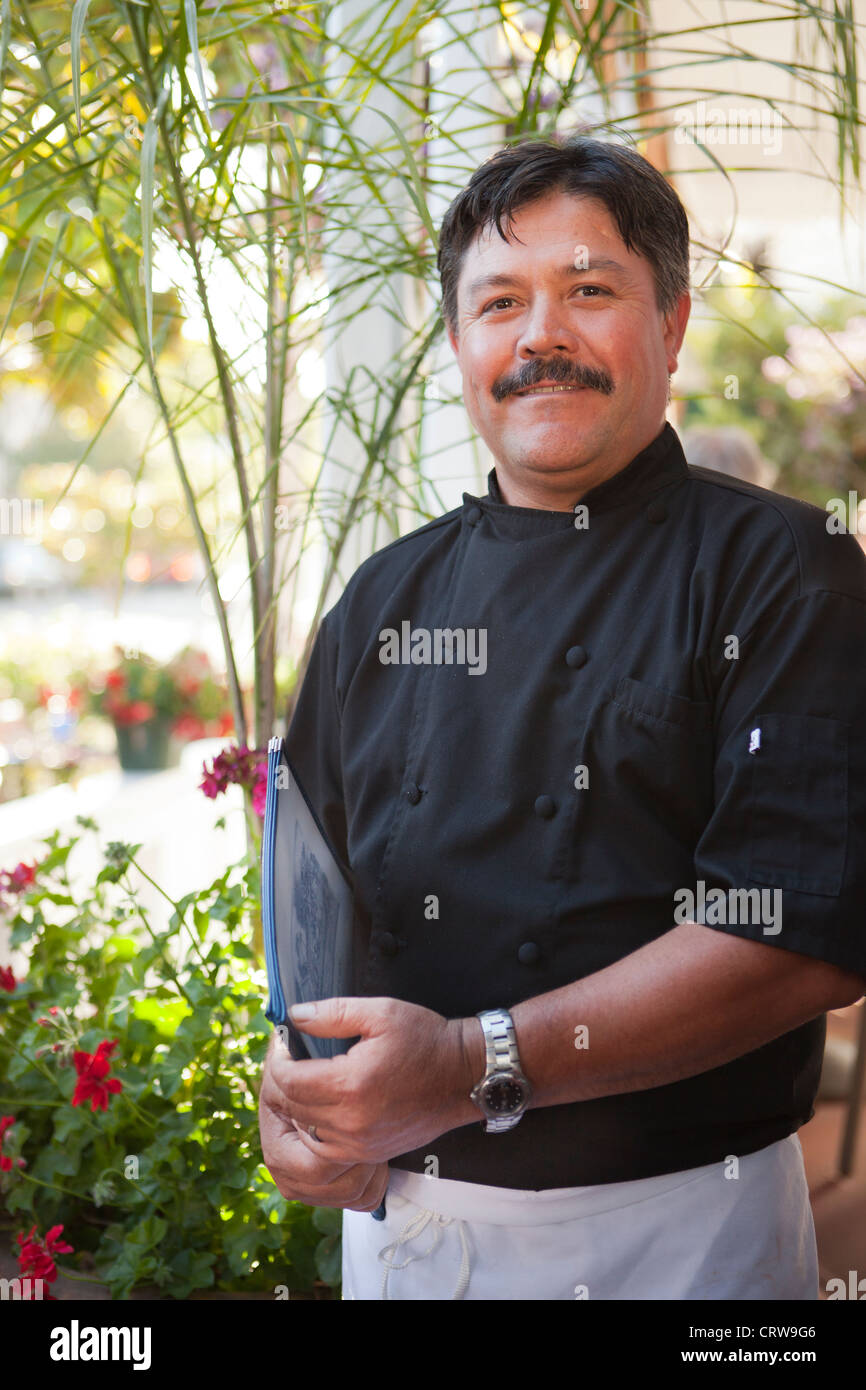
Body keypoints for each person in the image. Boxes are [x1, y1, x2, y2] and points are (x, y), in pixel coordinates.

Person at [258, 135, 866, 1300]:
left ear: (673, 325)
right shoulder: (381, 598)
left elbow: (797, 942)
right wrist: (291, 1082)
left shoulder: (787, 572)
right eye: (498, 303)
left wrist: (469, 1063)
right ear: (457, 346)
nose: (539, 336)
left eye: (588, 291)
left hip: (679, 1238)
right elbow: (309, 898)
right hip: (402, 1234)